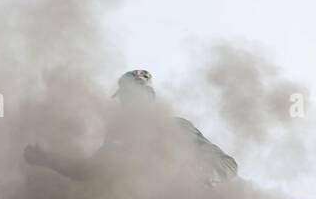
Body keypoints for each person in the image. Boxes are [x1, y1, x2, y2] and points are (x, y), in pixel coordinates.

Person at [25, 69, 238, 186]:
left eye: (135, 96)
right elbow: (89, 172)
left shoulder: (175, 128)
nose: (129, 103)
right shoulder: (118, 141)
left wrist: (199, 175)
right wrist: (48, 160)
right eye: (125, 97)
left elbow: (227, 165)